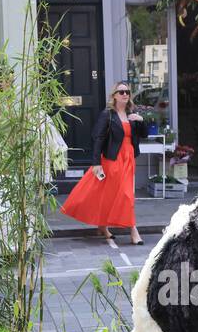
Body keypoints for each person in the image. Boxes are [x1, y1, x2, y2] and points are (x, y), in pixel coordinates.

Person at [60, 81, 147, 245]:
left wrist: (141, 120)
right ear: (114, 95)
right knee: (120, 195)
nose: (125, 95)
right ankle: (131, 229)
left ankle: (104, 226)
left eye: (127, 92)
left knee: (124, 194)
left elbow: (143, 135)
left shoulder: (132, 113)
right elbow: (98, 138)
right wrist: (96, 163)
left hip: (128, 158)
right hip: (112, 159)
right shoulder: (108, 114)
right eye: (121, 92)